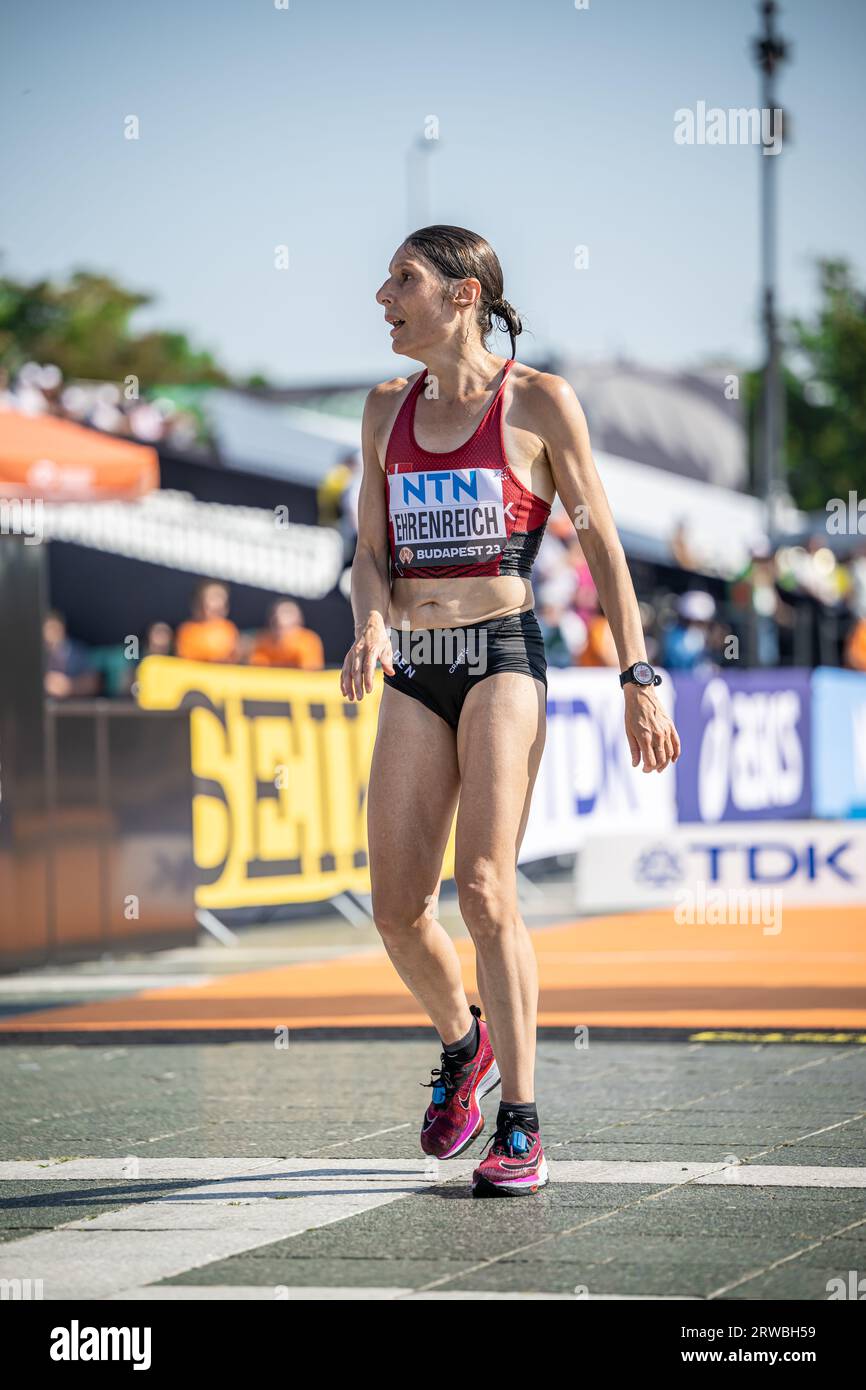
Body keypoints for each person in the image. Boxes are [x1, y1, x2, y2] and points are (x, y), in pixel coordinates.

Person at [340, 225, 680, 1198]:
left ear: (461, 295)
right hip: (415, 663)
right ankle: (463, 1044)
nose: (380, 296)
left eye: (400, 279)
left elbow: (604, 547)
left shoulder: (537, 402)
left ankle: (521, 1123)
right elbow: (371, 552)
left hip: (498, 655)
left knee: (484, 887)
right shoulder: (381, 410)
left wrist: (636, 675)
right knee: (398, 912)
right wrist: (371, 623)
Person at [175, 580, 240, 663]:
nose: (217, 603)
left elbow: (233, 658)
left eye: (220, 598)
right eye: (213, 598)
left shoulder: (230, 629)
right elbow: (185, 657)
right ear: (200, 603)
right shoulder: (188, 629)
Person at [249, 599, 325, 669]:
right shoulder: (263, 640)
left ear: (298, 622)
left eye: (288, 626)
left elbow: (311, 672)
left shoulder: (309, 641)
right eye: (276, 625)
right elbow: (257, 669)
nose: (281, 631)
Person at [43, 610, 100, 698]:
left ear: (62, 629)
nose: (49, 635)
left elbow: (93, 683)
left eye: (53, 628)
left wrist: (68, 687)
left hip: (74, 707)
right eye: (45, 629)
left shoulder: (77, 653)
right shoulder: (36, 653)